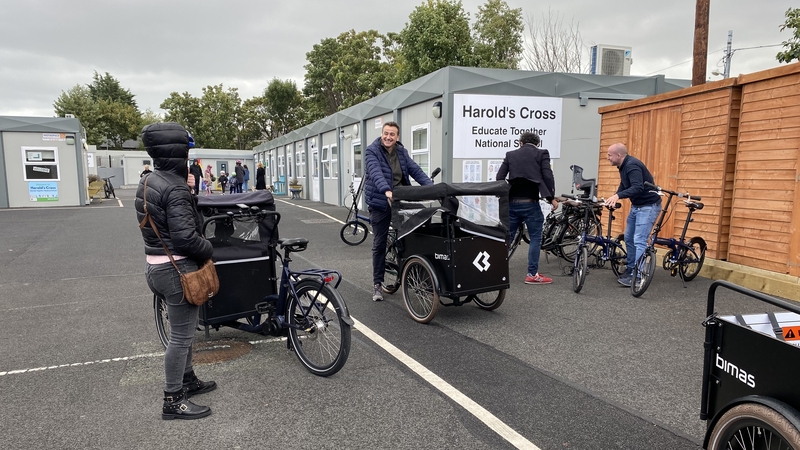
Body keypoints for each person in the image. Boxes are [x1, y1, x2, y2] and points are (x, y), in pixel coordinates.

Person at [134, 122, 216, 420]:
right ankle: (173, 399)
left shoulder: (149, 181)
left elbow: (161, 226)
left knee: (184, 332)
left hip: (156, 266)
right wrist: (209, 250)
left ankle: (188, 379)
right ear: (179, 152)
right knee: (181, 337)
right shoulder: (175, 187)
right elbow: (185, 237)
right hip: (178, 269)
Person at [364, 121, 433, 301]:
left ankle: (417, 273)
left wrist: (433, 189)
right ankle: (377, 284)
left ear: (397, 137)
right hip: (380, 201)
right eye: (386, 133)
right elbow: (375, 172)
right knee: (379, 243)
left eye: (392, 134)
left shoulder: (401, 152)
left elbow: (415, 170)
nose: (388, 137)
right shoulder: (372, 151)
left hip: (400, 198)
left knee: (416, 231)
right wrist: (386, 190)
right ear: (382, 134)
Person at [496, 132, 558, 285]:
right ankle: (532, 274)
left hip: (512, 203)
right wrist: (551, 197)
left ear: (521, 142)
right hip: (531, 203)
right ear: (537, 143)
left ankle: (494, 271)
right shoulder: (542, 153)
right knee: (535, 237)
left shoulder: (510, 155)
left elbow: (499, 177)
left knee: (506, 237)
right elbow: (548, 176)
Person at [603, 143, 662, 287]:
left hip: (648, 206)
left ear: (619, 155)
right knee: (628, 237)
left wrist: (618, 196)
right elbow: (625, 185)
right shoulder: (623, 166)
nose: (607, 158)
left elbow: (637, 187)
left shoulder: (632, 165)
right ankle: (631, 268)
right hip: (637, 206)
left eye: (610, 155)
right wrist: (614, 196)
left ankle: (637, 276)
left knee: (640, 240)